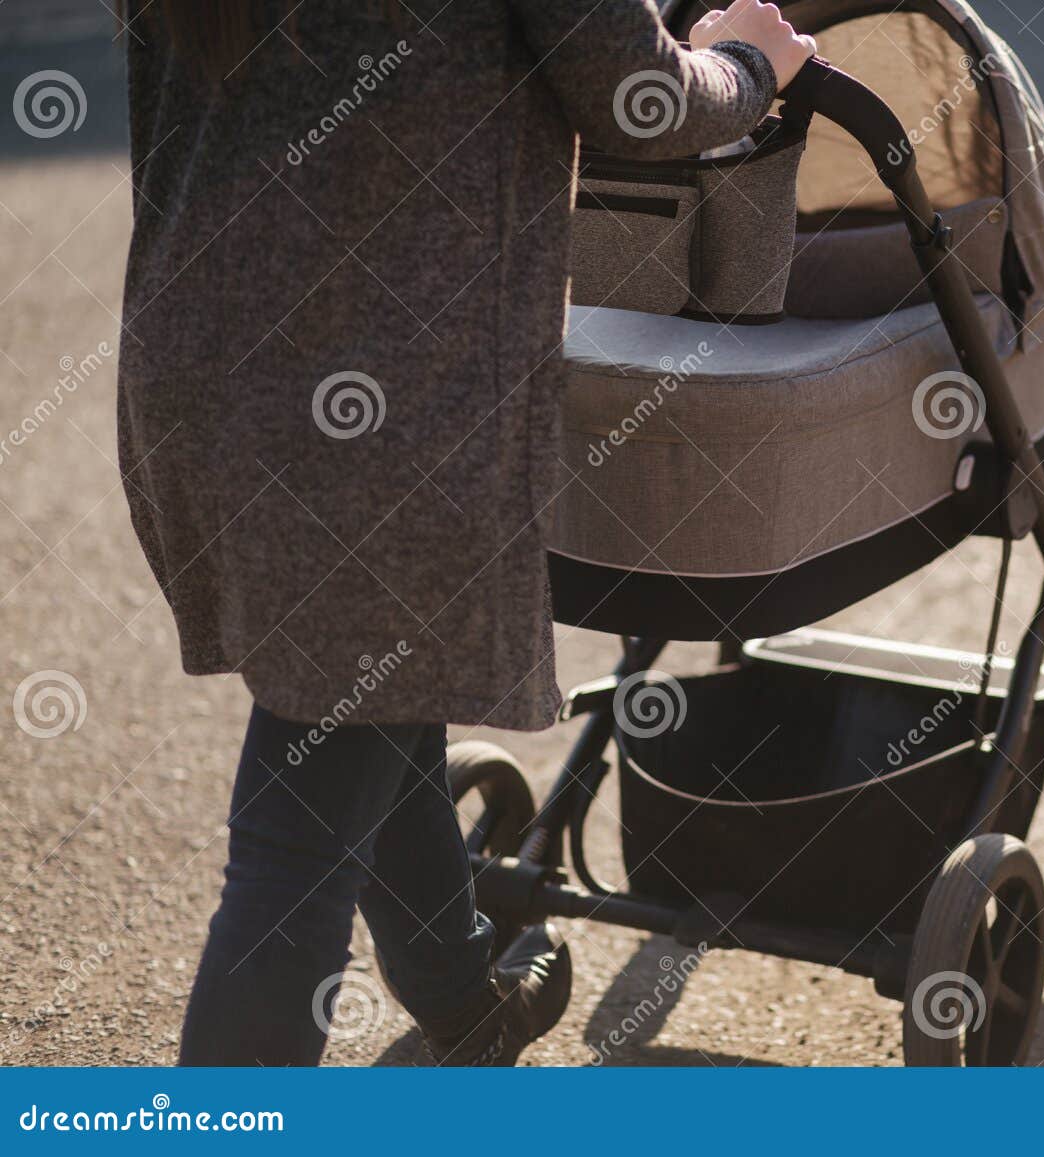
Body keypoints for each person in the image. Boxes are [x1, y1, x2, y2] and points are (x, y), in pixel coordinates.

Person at [114, 0, 814, 1066]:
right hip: (382, 409)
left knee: (359, 694)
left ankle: (462, 996)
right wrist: (749, 65)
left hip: (196, 363)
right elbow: (639, 98)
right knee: (294, 842)